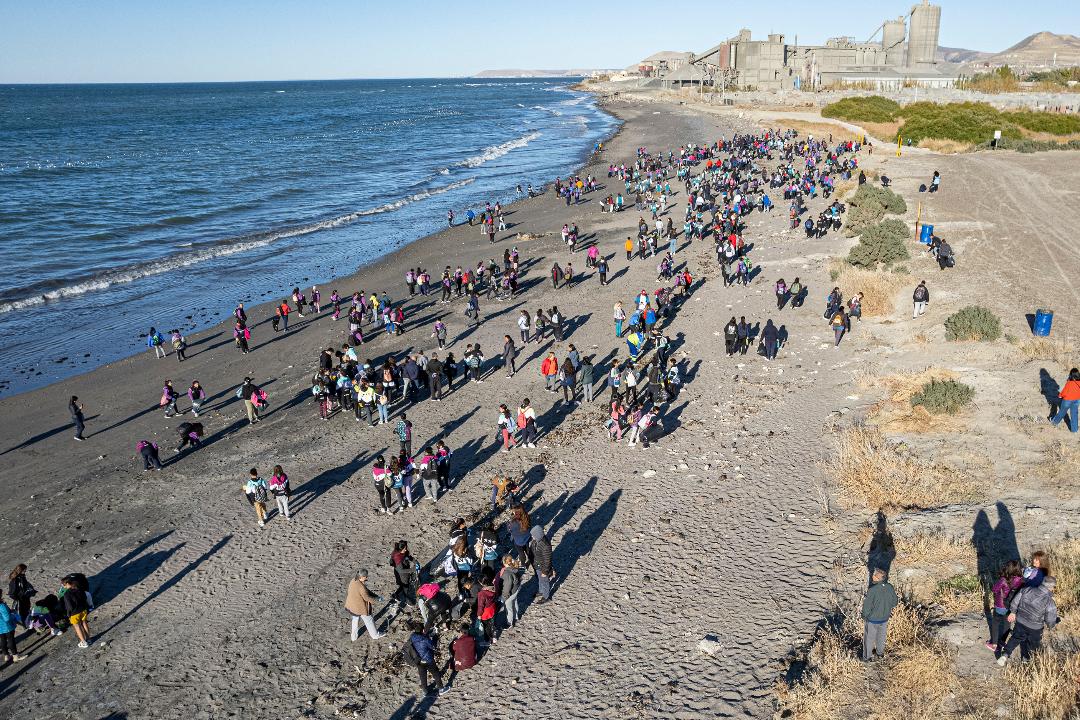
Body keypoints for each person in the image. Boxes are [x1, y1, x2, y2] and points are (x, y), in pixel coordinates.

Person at [997, 575, 1059, 666]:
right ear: (1051, 587)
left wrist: (1013, 612)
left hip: (1021, 621)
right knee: (1033, 645)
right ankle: (1026, 661)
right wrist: (1051, 625)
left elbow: (1015, 601)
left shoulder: (1027, 589)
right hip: (1035, 628)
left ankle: (1005, 655)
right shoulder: (1049, 601)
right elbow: (1050, 618)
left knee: (1015, 638)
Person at [861, 568, 898, 661]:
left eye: (874, 575)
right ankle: (880, 654)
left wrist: (864, 616)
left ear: (877, 578)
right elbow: (894, 602)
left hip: (872, 619)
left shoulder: (872, 590)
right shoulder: (890, 587)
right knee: (881, 637)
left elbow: (867, 605)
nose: (872, 576)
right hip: (885, 618)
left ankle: (867, 657)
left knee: (869, 639)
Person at [403, 621, 448, 695]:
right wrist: (435, 636)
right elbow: (433, 646)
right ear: (422, 629)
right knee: (435, 672)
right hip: (428, 659)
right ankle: (441, 689)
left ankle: (425, 691)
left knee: (422, 675)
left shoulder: (412, 636)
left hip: (418, 660)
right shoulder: (424, 639)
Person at [988, 559, 1023, 654]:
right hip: (1012, 606)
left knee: (995, 623)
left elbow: (994, 589)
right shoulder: (1021, 580)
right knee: (1007, 624)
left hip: (1000, 605)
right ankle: (1002, 642)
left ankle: (994, 644)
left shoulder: (1004, 580)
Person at [345, 569, 384, 641]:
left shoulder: (353, 580)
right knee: (369, 621)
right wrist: (377, 600)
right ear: (362, 577)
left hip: (352, 605)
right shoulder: (361, 587)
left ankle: (353, 637)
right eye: (366, 576)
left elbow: (366, 591)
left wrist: (375, 596)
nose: (367, 578)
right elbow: (367, 597)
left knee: (355, 620)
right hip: (360, 607)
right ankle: (375, 635)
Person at [61, 576, 92, 648]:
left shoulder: (66, 594)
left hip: (74, 613)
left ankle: (83, 642)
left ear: (68, 583)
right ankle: (88, 639)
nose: (63, 586)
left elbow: (69, 606)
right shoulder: (79, 588)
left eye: (63, 585)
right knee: (84, 623)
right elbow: (85, 597)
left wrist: (69, 615)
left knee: (77, 626)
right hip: (83, 610)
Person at [1049, 367, 1080, 433]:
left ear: (1071, 375)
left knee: (1062, 412)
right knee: (1074, 414)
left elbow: (1064, 392)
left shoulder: (1069, 383)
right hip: (1077, 400)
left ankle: (1054, 422)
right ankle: (1074, 430)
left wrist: (1060, 396)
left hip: (1067, 401)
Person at [0, 589, 26, 663]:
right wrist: (13, 615)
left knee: (3, 640)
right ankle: (15, 656)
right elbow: (7, 618)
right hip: (7, 626)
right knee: (11, 640)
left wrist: (9, 611)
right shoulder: (1, 605)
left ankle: (6, 656)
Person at [530, 525, 554, 604]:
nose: (532, 537)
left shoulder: (545, 545)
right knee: (540, 579)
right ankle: (541, 591)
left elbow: (547, 560)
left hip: (543, 567)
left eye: (533, 535)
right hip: (537, 564)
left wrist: (545, 571)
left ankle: (546, 597)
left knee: (545, 581)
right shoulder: (536, 541)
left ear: (538, 534)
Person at [498, 555, 522, 631]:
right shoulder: (515, 567)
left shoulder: (507, 574)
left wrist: (504, 597)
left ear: (504, 562)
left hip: (511, 592)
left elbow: (507, 588)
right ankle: (516, 617)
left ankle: (509, 623)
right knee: (514, 602)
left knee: (508, 608)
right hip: (516, 589)